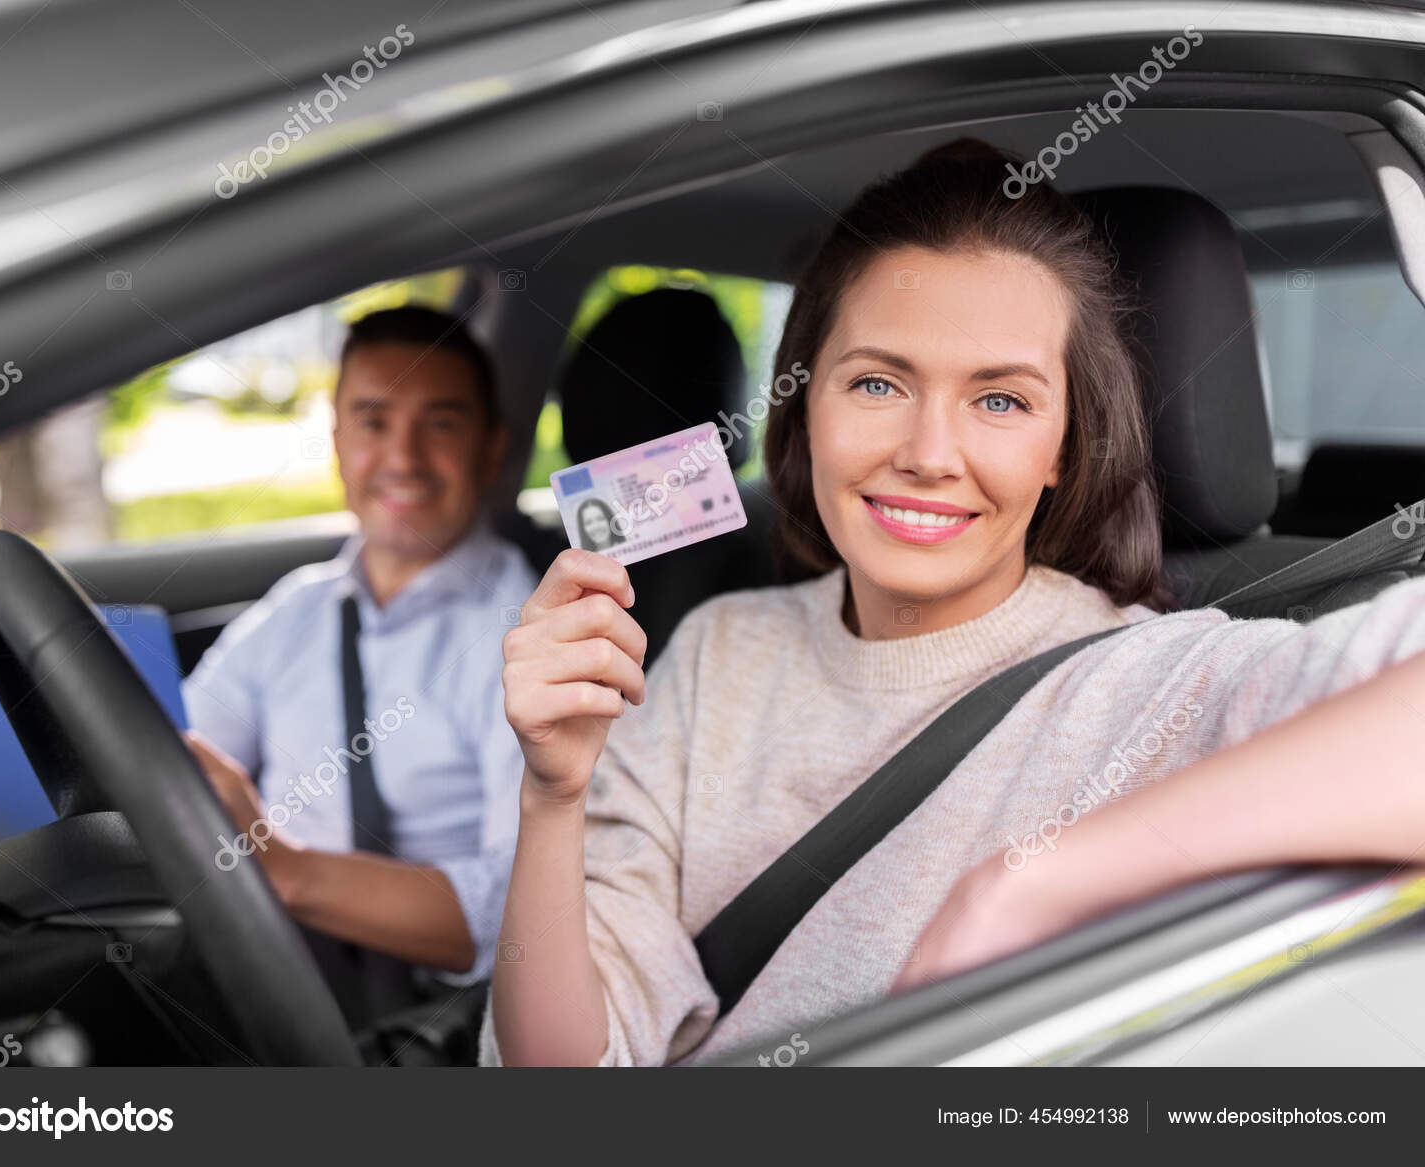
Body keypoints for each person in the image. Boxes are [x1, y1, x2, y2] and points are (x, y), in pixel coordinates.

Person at [483, 137, 1425, 1066]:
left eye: (1002, 401)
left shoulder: (1152, 681)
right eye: (878, 382)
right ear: (807, 411)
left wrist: (1028, 887)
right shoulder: (713, 648)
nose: (930, 452)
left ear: (1064, 446)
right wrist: (553, 799)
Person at [182, 305, 535, 1031]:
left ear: (491, 449)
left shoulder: (529, 633)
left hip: (413, 1023)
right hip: (254, 962)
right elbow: (175, 752)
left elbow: (527, 908)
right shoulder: (297, 609)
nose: (401, 457)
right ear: (339, 443)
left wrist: (285, 869)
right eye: (373, 421)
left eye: (440, 423)